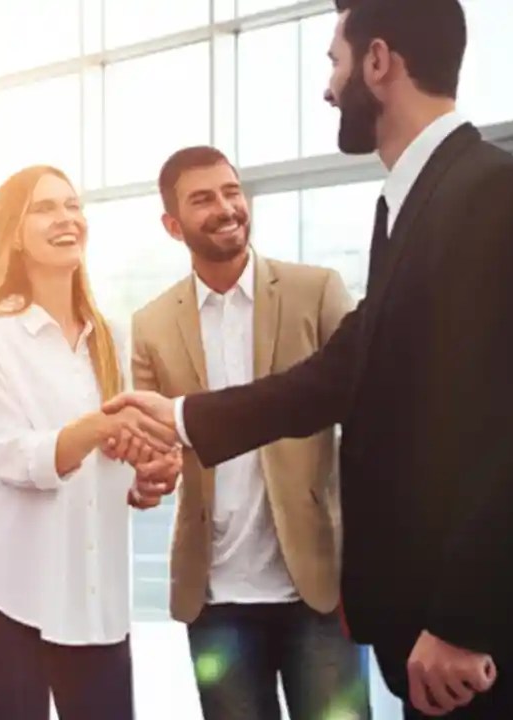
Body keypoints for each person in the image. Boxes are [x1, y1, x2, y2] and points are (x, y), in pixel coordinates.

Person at [102, 1, 513, 718]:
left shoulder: (494, 199)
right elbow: (348, 370)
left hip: (481, 641)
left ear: (379, 62)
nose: (328, 87)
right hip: (440, 636)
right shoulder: (419, 204)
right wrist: (182, 415)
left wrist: (460, 622)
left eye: (335, 61)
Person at [117, 145, 366, 719]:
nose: (226, 208)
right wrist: (148, 475)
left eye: (232, 192)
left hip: (317, 589)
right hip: (215, 599)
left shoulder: (318, 290)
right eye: (203, 199)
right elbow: (159, 451)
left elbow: (367, 414)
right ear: (172, 224)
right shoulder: (151, 325)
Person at [0, 164, 181, 720]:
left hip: (93, 597)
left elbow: (122, 465)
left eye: (72, 205)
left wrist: (150, 472)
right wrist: (98, 428)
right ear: (14, 233)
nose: (66, 218)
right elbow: (15, 457)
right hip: (8, 592)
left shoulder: (112, 339)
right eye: (45, 208)